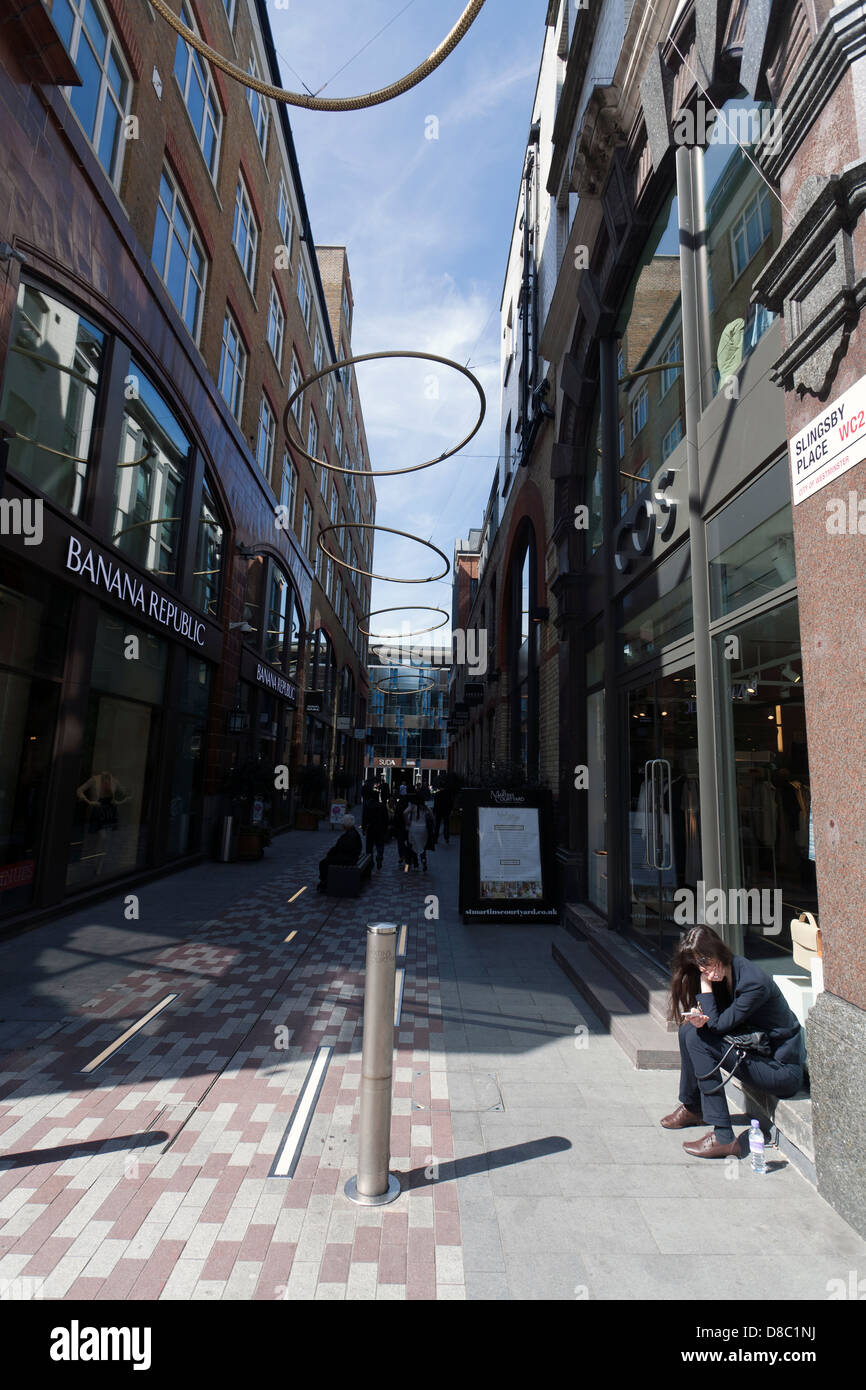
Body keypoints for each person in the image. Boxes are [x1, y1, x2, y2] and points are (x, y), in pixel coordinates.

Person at [661, 925, 804, 1158]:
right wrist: (701, 1015)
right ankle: (693, 1107)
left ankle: (724, 1137)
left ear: (718, 950)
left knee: (700, 1040)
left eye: (705, 961)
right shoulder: (724, 975)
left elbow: (718, 1027)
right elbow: (718, 1023)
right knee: (688, 1031)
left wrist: (705, 987)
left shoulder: (752, 982)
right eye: (698, 964)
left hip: (781, 1070)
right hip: (757, 1054)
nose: (702, 969)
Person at [317, 813, 362, 891]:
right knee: (327, 860)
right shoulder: (353, 832)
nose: (342, 825)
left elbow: (339, 848)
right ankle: (325, 881)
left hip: (348, 859)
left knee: (323, 863)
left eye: (343, 823)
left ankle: (324, 882)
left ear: (346, 825)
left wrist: (331, 853)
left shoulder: (350, 835)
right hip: (351, 857)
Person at [404, 795, 435, 871]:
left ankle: (415, 865)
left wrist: (407, 822)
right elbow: (432, 816)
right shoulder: (425, 807)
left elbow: (404, 813)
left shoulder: (412, 807)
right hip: (423, 829)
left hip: (413, 828)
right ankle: (423, 860)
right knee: (422, 846)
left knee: (413, 846)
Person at [362, 784, 388, 870]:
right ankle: (379, 857)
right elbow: (386, 819)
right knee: (380, 845)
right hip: (380, 829)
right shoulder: (382, 806)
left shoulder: (367, 806)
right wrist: (385, 828)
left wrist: (364, 828)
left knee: (369, 847)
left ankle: (370, 862)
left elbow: (364, 817)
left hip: (370, 828)